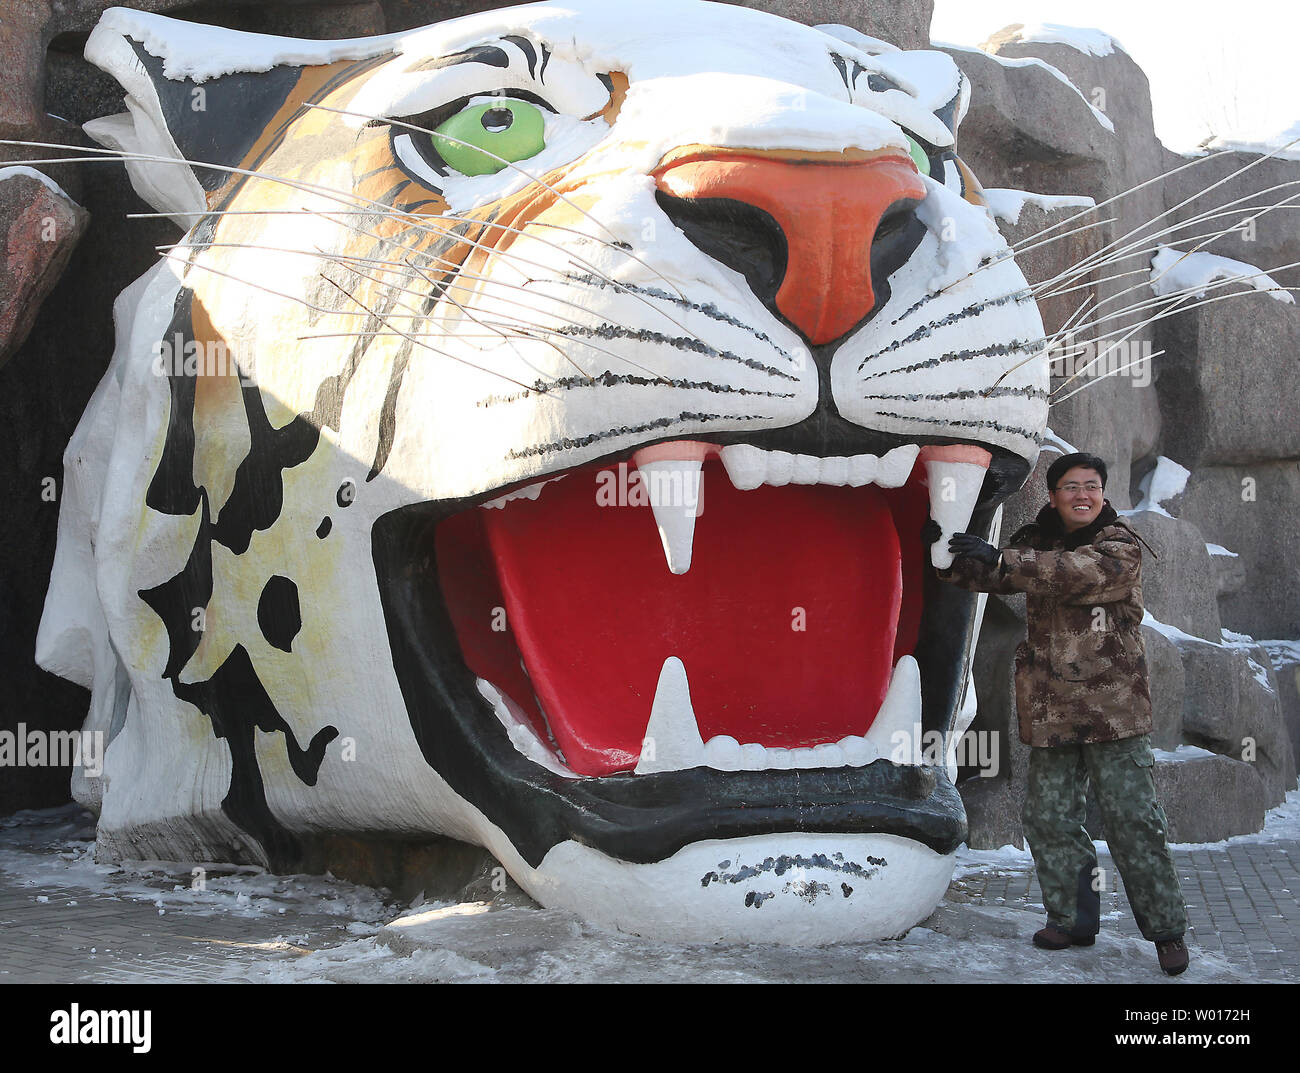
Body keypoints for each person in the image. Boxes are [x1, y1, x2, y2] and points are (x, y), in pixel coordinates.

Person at [928, 451, 1190, 976]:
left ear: (1103, 492)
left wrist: (1003, 559)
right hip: (1051, 711)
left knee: (1133, 821)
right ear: (1053, 495)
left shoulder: (1119, 546)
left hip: (1113, 714)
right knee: (1049, 820)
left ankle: (1165, 931)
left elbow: (1073, 573)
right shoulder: (1034, 540)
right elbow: (991, 575)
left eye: (1091, 486)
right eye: (1070, 487)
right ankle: (1073, 918)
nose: (1082, 495)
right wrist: (943, 549)